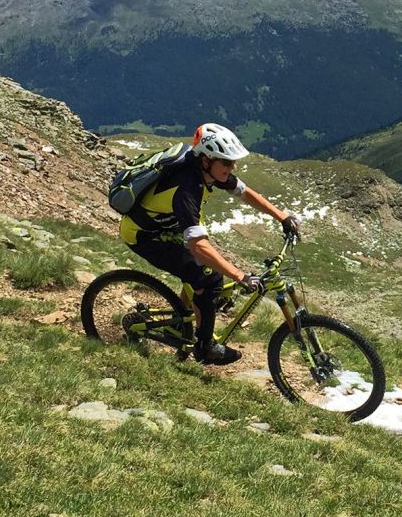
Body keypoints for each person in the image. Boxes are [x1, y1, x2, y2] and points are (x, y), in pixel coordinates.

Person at [119, 123, 302, 365]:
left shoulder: (208, 171)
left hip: (166, 225)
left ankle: (181, 320)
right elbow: (197, 247)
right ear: (206, 159)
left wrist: (282, 216)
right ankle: (205, 347)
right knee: (211, 279)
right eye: (226, 162)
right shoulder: (186, 190)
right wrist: (240, 276)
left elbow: (246, 193)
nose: (232, 167)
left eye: (231, 162)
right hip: (144, 235)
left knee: (201, 271)